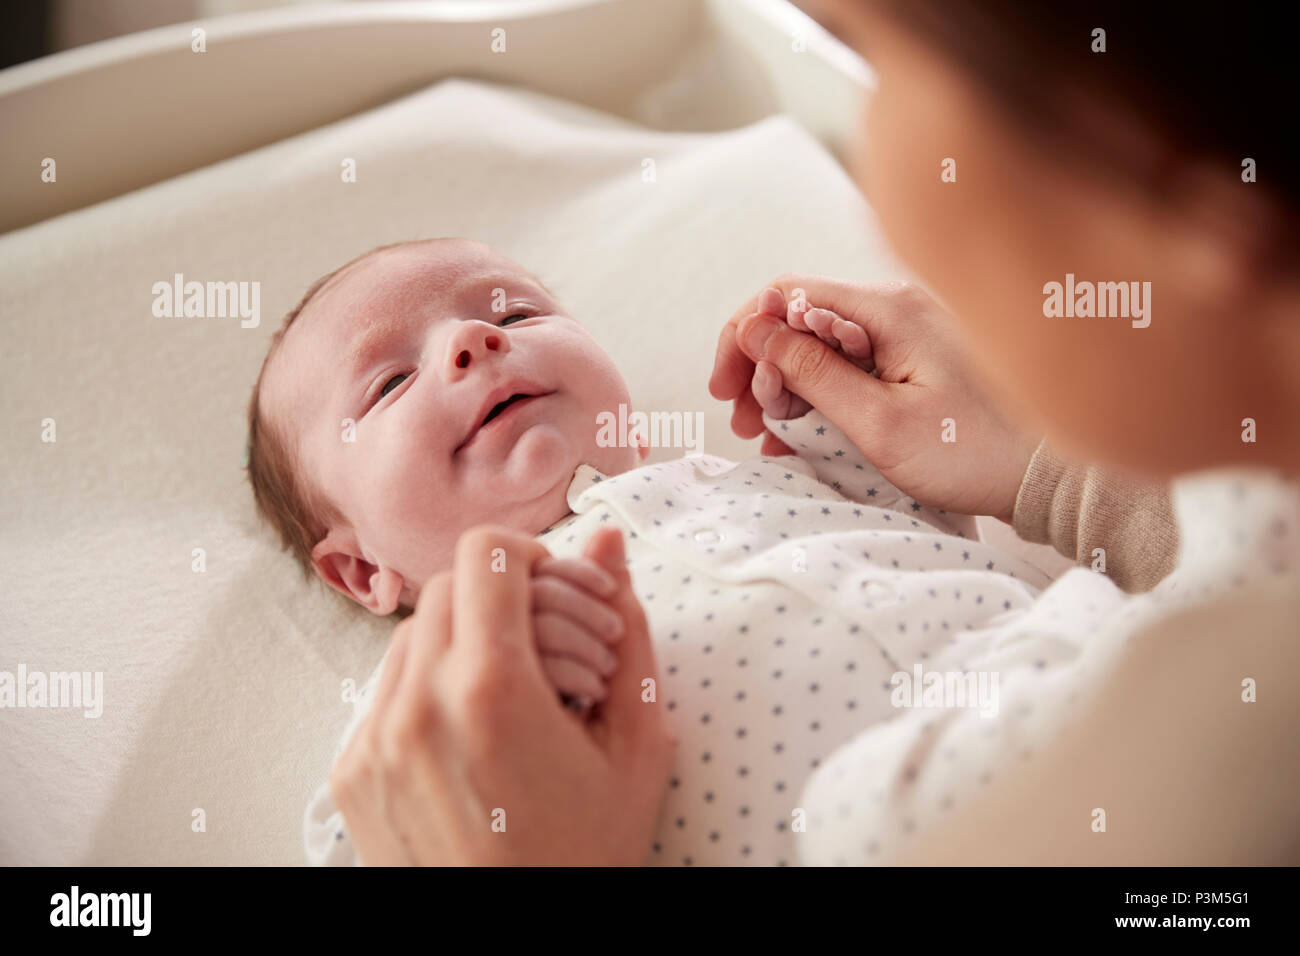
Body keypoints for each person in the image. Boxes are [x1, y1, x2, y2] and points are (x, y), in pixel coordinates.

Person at [331, 0, 1300, 863]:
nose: (471, 341)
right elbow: (361, 828)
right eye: (385, 382)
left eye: (517, 313)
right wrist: (1049, 475)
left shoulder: (736, 479)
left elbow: (903, 526)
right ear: (358, 569)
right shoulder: (413, 707)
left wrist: (826, 436)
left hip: (1048, 662)